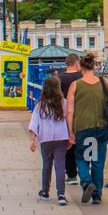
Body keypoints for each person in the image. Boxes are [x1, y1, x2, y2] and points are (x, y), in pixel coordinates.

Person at [65, 53, 108, 205]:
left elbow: (70, 111)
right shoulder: (104, 82)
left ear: (81, 67)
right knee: (97, 160)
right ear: (94, 66)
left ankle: (87, 183)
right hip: (101, 127)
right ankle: (97, 195)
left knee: (81, 158)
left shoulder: (75, 85)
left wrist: (70, 131)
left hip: (82, 127)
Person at [29, 75, 70, 205]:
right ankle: (61, 195)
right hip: (61, 137)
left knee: (46, 165)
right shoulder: (64, 102)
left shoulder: (40, 104)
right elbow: (69, 121)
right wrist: (71, 135)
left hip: (45, 138)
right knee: (60, 166)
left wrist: (33, 140)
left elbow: (34, 123)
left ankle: (45, 192)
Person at [57, 52, 82, 184]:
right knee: (82, 143)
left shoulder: (59, 78)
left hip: (65, 116)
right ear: (77, 63)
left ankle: (71, 175)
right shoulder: (82, 77)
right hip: (82, 114)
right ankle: (84, 171)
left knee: (68, 145)